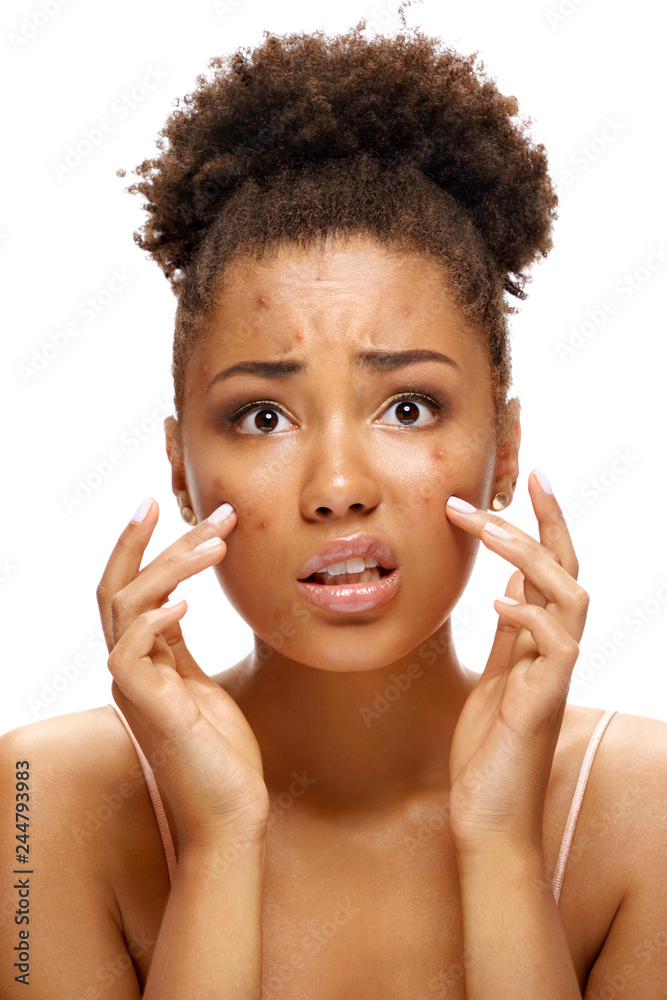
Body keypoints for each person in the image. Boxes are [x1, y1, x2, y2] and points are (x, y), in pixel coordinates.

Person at [2, 16, 666, 999]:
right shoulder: (36, 800)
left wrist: (499, 845)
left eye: (408, 407)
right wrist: (221, 844)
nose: (338, 486)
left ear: (503, 450)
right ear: (182, 469)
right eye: (263, 416)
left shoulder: (645, 809)